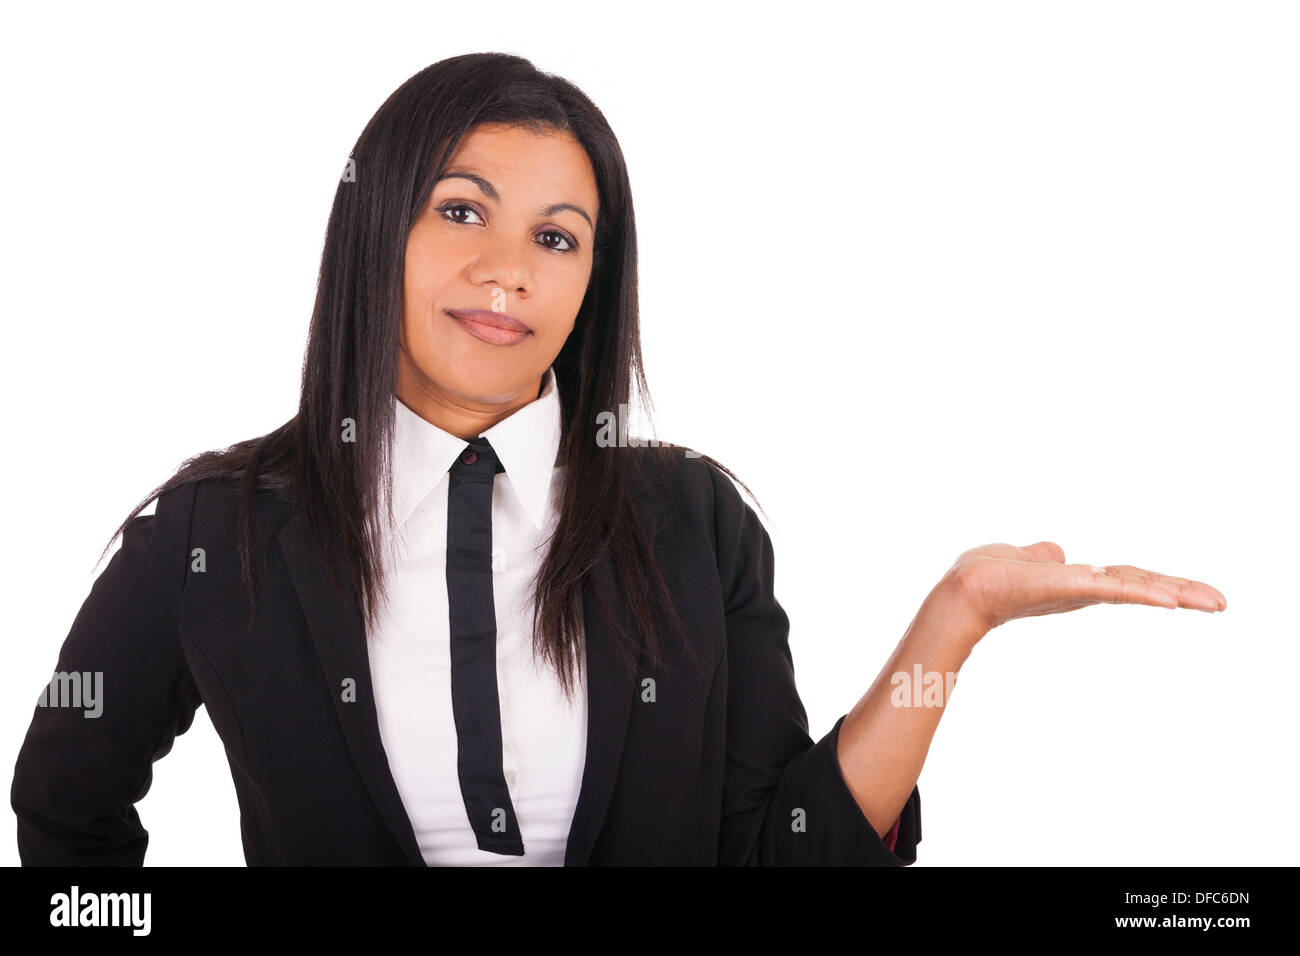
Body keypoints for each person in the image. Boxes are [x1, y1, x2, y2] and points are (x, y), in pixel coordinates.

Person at [10, 52, 1226, 867]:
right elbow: (66, 800)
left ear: (593, 283)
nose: (510, 269)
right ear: (374, 223)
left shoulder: (693, 522)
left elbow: (785, 850)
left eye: (556, 235)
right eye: (461, 209)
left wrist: (950, 625)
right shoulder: (214, 528)